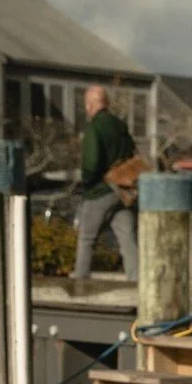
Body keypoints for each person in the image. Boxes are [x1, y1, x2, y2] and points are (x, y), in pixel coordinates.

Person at [73, 84, 138, 281]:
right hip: (122, 190)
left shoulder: (95, 127)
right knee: (127, 240)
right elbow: (131, 153)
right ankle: (137, 282)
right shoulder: (120, 125)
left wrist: (86, 181)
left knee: (86, 239)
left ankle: (80, 283)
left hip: (100, 190)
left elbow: (92, 162)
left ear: (90, 105)